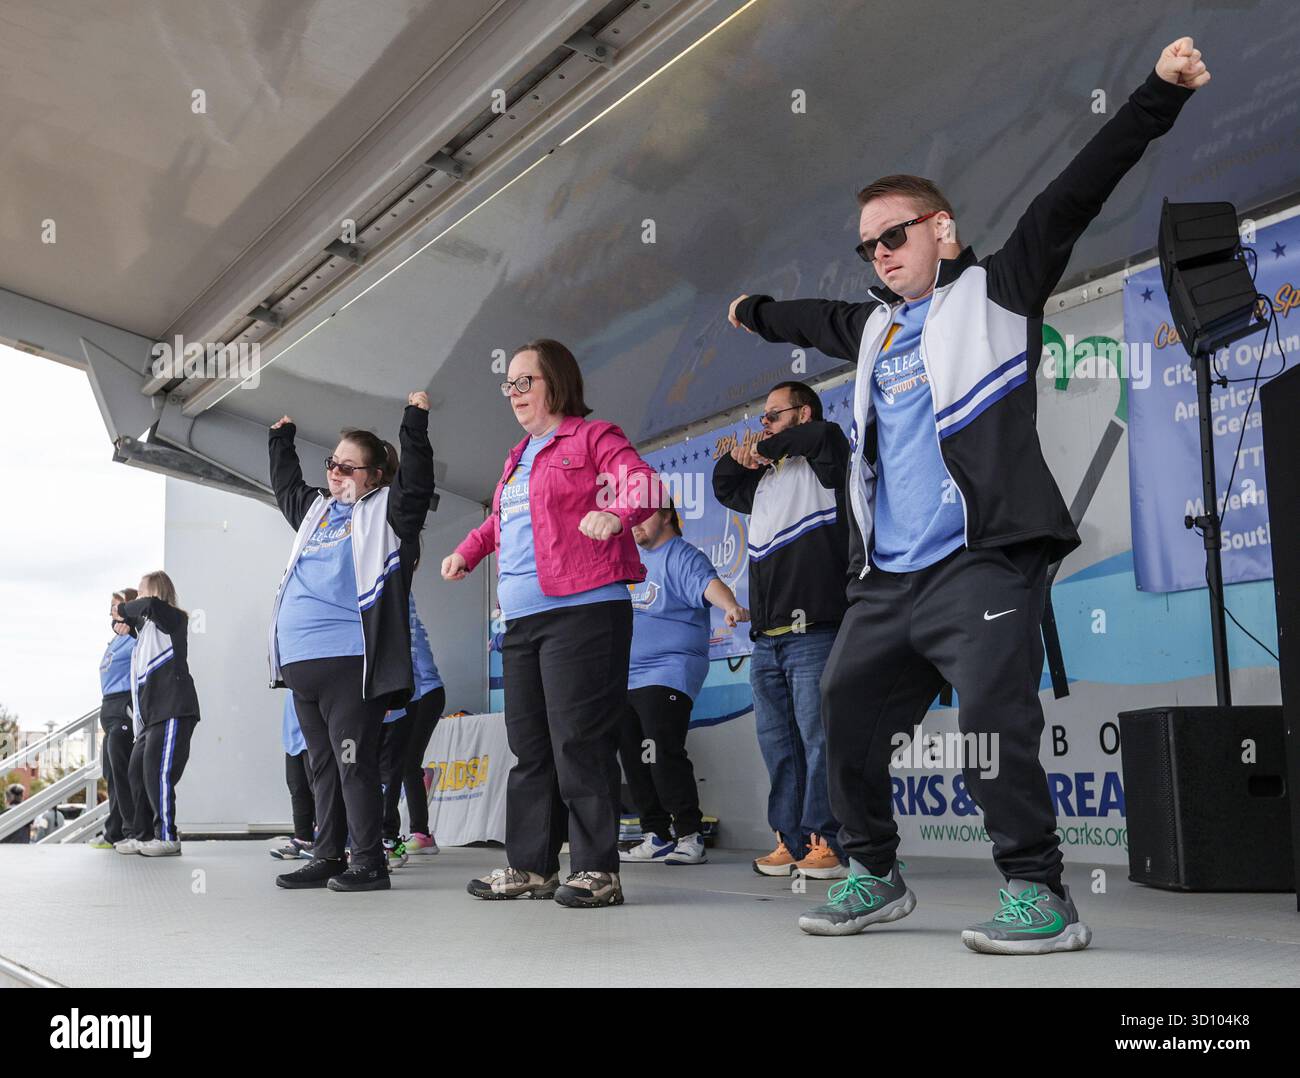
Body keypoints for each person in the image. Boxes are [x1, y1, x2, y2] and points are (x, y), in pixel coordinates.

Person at [725, 38, 1209, 952]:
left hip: (982, 561)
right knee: (844, 712)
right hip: (886, 579)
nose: (880, 255)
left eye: (894, 235)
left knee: (990, 721)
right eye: (867, 246)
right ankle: (873, 873)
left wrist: (1158, 92)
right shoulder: (871, 329)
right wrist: (752, 312)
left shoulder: (998, 288)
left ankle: (1041, 894)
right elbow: (807, 318)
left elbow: (1080, 187)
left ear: (941, 229)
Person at [443, 339, 656, 908]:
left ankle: (596, 872)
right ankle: (530, 867)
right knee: (530, 748)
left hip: (583, 610)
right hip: (522, 620)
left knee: (579, 741)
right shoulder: (518, 456)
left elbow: (641, 482)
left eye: (524, 382)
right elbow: (500, 521)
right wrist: (467, 551)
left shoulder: (593, 437)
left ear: (554, 382)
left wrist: (615, 512)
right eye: (507, 384)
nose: (513, 393)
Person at [269, 393, 436, 892]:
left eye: (347, 467)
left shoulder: (385, 513)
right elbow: (286, 489)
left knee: (351, 762)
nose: (335, 474)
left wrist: (414, 423)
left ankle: (368, 862)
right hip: (302, 663)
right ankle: (328, 855)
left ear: (374, 476)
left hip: (350, 659)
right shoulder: (317, 512)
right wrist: (281, 440)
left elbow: (417, 485)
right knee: (322, 766)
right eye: (332, 464)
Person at [712, 381, 851, 880]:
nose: (763, 426)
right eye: (762, 419)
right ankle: (791, 841)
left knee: (821, 739)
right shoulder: (766, 481)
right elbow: (724, 485)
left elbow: (822, 438)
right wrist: (747, 458)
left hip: (816, 629)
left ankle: (827, 841)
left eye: (773, 416)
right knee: (780, 743)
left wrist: (763, 447)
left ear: (803, 412)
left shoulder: (825, 454)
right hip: (767, 639)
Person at [618, 501, 747, 866]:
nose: (634, 525)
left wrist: (730, 606)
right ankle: (655, 834)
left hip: (669, 670)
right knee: (632, 753)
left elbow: (710, 584)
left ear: (665, 515)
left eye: (641, 515)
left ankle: (689, 836)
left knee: (661, 750)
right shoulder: (632, 561)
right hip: (628, 675)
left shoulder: (682, 555)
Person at [111, 571, 201, 856]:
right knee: (137, 771)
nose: (138, 597)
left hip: (173, 708)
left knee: (158, 773)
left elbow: (148, 607)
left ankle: (167, 836)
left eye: (142, 591)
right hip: (151, 717)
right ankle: (143, 834)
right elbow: (138, 619)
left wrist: (124, 609)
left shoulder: (173, 618)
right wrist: (125, 623)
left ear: (156, 591)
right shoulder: (147, 628)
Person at [379, 595, 446, 865]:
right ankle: (419, 833)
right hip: (419, 691)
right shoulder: (398, 599)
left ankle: (410, 835)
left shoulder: (397, 599)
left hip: (423, 692)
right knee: (405, 764)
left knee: (403, 764)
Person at [90, 587, 138, 850]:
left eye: (116, 605)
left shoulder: (134, 638)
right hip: (108, 708)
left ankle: (129, 831)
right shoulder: (115, 641)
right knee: (110, 771)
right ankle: (115, 830)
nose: (111, 610)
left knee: (122, 772)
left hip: (123, 706)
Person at [269, 693, 315, 860]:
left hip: (314, 729)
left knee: (318, 788)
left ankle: (326, 839)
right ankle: (303, 838)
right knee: (297, 786)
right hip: (293, 729)